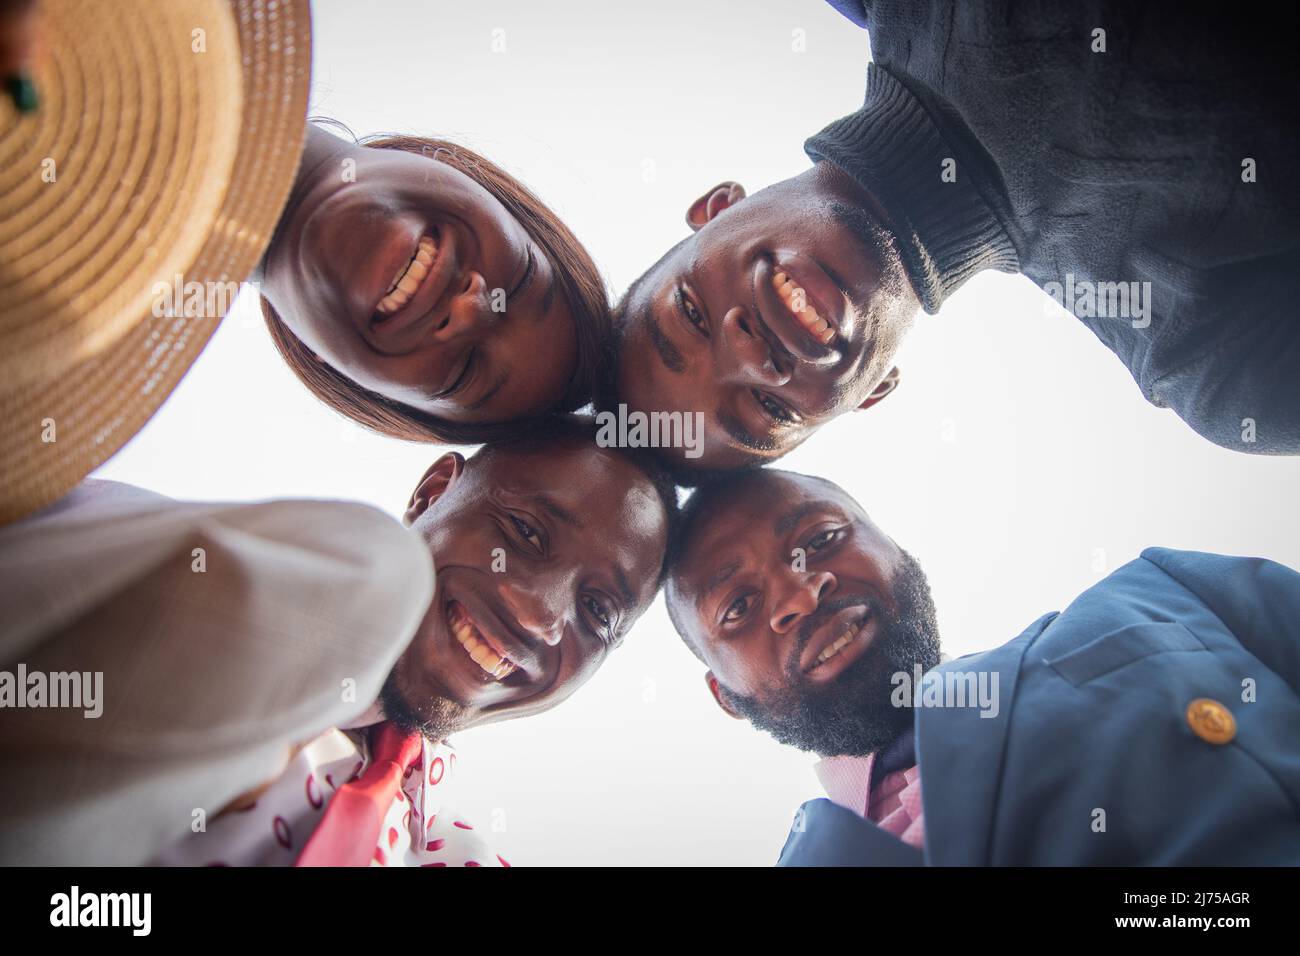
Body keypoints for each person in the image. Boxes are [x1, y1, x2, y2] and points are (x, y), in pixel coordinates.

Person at [608, 0, 1300, 473]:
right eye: (766, 407)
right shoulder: (1214, 360)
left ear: (716, 206)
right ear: (873, 391)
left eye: (692, 315)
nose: (754, 359)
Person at [0, 417, 675, 865]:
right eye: (525, 532)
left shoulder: (443, 847)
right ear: (432, 492)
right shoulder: (149, 549)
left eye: (598, 611)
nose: (539, 615)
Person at [665, 468, 1300, 865]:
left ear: (897, 550)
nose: (803, 595)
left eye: (823, 539)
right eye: (739, 606)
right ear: (727, 696)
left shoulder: (1166, 593)